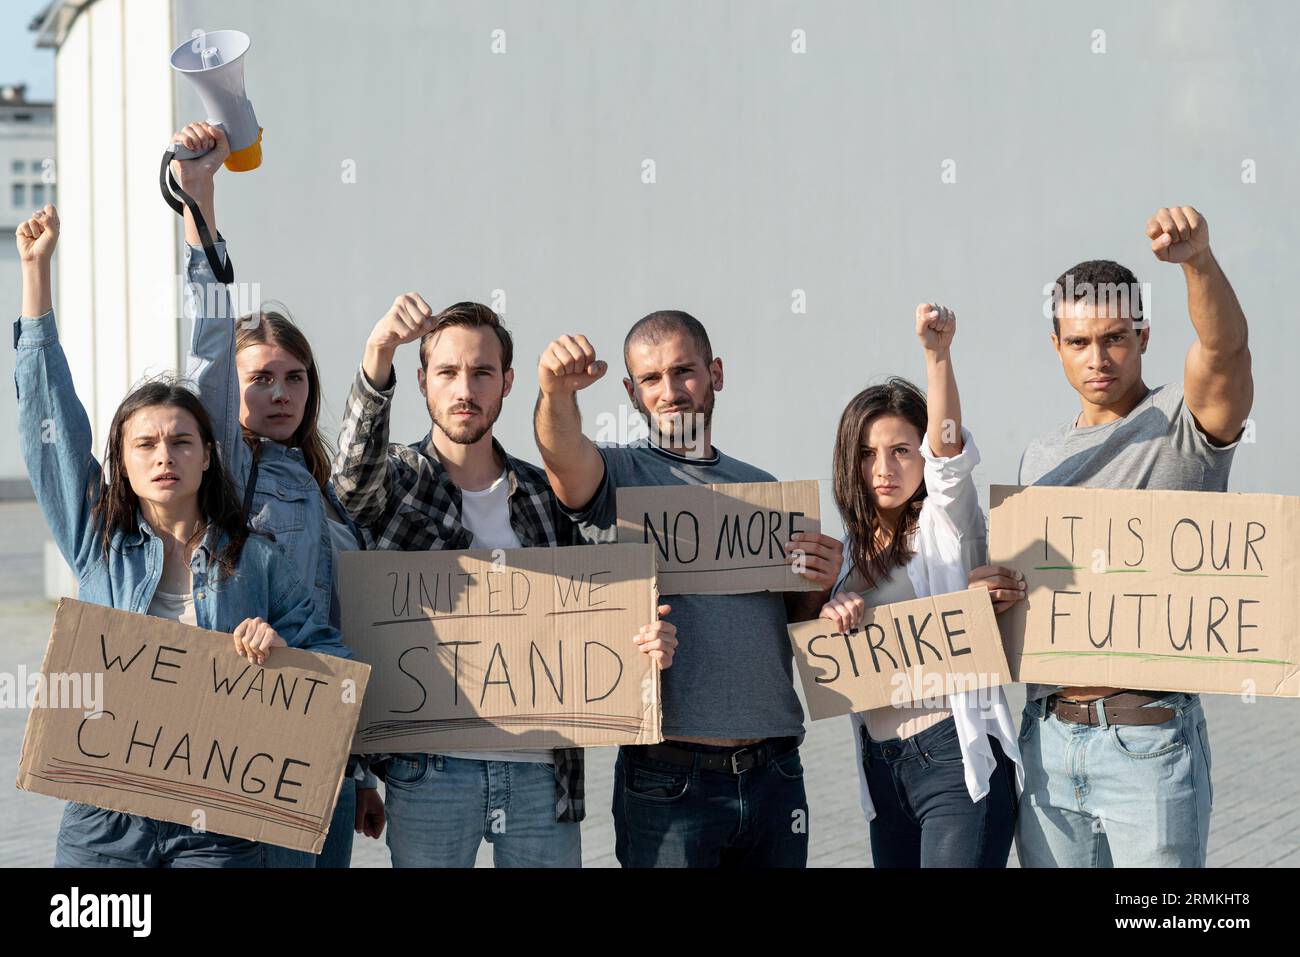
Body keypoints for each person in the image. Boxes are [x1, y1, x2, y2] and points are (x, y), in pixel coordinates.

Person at [14, 204, 354, 867]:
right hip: (106, 817)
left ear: (207, 454)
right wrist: (35, 278)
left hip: (219, 819)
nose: (163, 454)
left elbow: (329, 654)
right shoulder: (98, 541)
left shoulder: (253, 558)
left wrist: (281, 648)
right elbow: (49, 415)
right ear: (124, 461)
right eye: (145, 444)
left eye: (179, 440)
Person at [332, 293, 677, 867]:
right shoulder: (396, 482)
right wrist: (378, 352)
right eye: (447, 372)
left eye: (481, 373)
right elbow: (349, 484)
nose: (464, 389)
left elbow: (601, 602)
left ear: (507, 383)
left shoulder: (545, 494)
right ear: (421, 382)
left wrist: (644, 642)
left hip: (542, 773)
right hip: (430, 769)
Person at [968, 205, 1252, 867]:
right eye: (1079, 341)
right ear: (1057, 346)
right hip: (1048, 742)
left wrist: (1198, 262)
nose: (1099, 358)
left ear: (1144, 335)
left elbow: (1226, 351)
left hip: (1148, 743)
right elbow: (1027, 596)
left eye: (1116, 337)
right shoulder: (1040, 457)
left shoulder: (1182, 426)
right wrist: (994, 592)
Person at [532, 312, 844, 867]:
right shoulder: (617, 478)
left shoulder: (766, 493)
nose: (670, 391)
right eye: (651, 379)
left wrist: (819, 585)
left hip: (775, 770)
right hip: (667, 777)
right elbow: (560, 456)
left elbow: (796, 622)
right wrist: (555, 392)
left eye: (684, 371)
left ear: (716, 373)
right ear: (630, 391)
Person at [168, 121, 384, 867]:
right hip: (247, 743)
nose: (281, 392)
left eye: (294, 376)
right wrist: (202, 199)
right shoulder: (223, 465)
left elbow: (332, 624)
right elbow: (205, 346)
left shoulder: (325, 491)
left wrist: (358, 767)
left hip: (324, 753)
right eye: (260, 377)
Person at [816, 303, 1021, 867]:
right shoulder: (850, 553)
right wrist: (835, 616)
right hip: (883, 771)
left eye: (901, 451)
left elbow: (949, 459)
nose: (884, 467)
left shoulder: (945, 526)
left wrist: (938, 356)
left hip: (953, 758)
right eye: (867, 454)